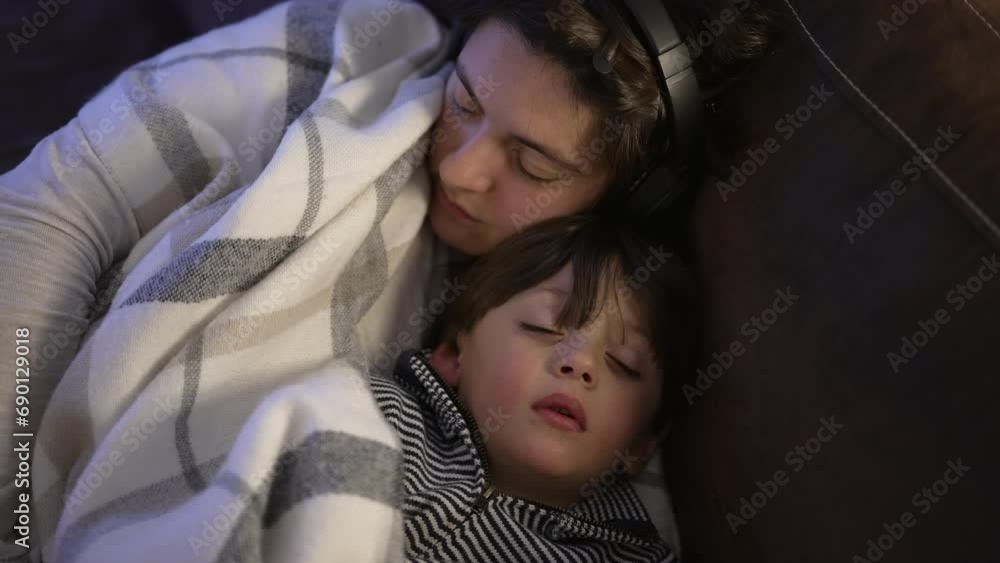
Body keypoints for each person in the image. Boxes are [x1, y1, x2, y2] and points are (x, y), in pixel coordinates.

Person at [0, 0, 776, 553]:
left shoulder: (602, 350)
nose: (463, 169)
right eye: (465, 101)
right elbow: (52, 205)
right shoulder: (344, 52)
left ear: (624, 198)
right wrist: (16, 502)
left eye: (533, 163)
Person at [371, 213, 699, 561]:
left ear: (641, 442)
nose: (581, 363)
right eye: (543, 327)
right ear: (454, 355)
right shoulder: (381, 416)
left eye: (623, 362)